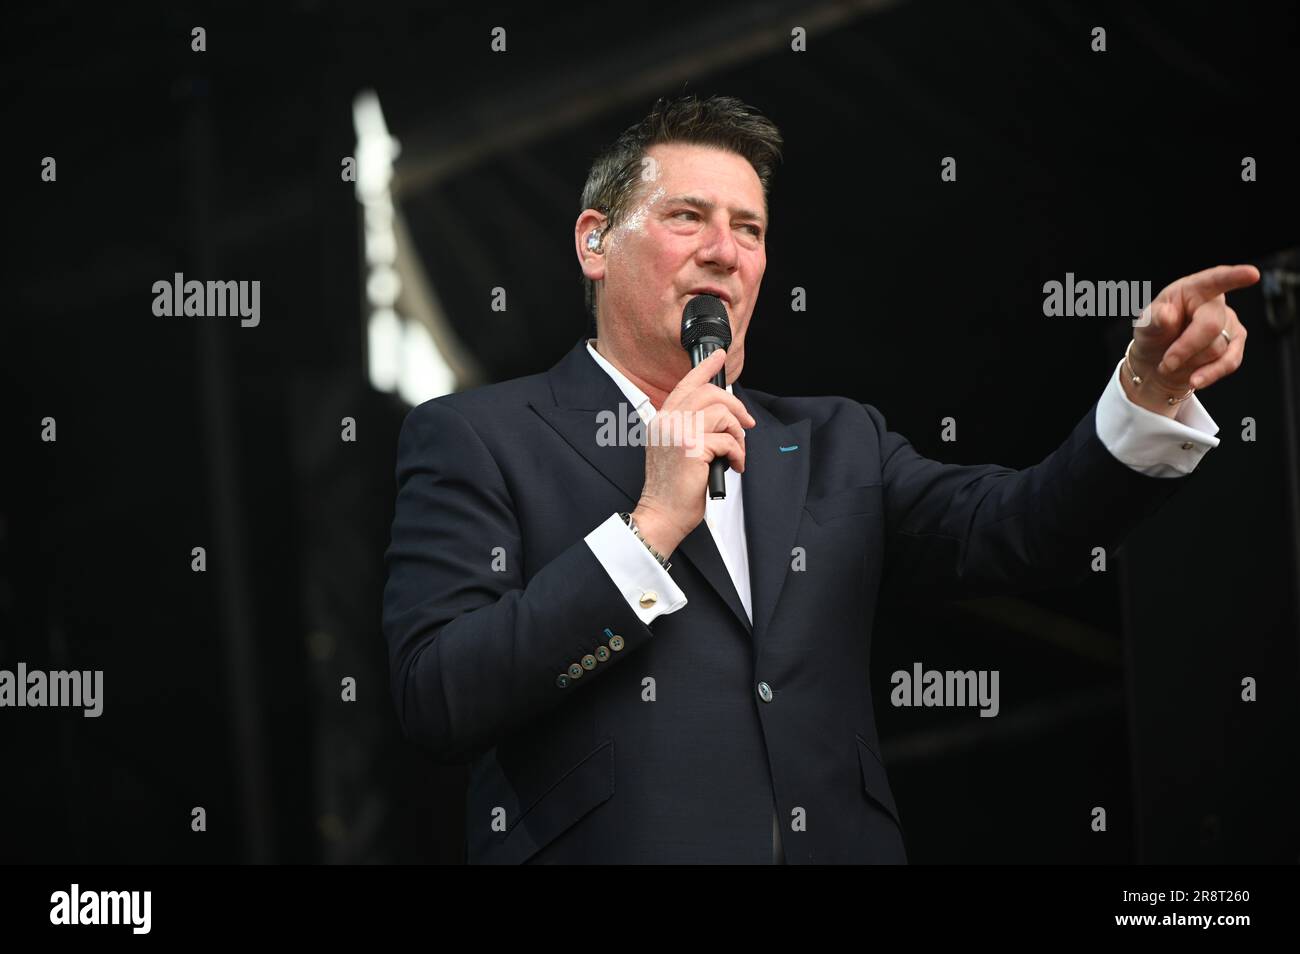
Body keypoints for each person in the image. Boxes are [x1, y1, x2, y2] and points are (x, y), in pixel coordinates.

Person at [382, 94, 1255, 864]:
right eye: (688, 217)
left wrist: (1147, 391)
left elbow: (1026, 528)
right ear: (595, 241)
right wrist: (647, 531)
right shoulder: (478, 435)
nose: (726, 251)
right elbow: (439, 695)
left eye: (750, 228)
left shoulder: (836, 441)